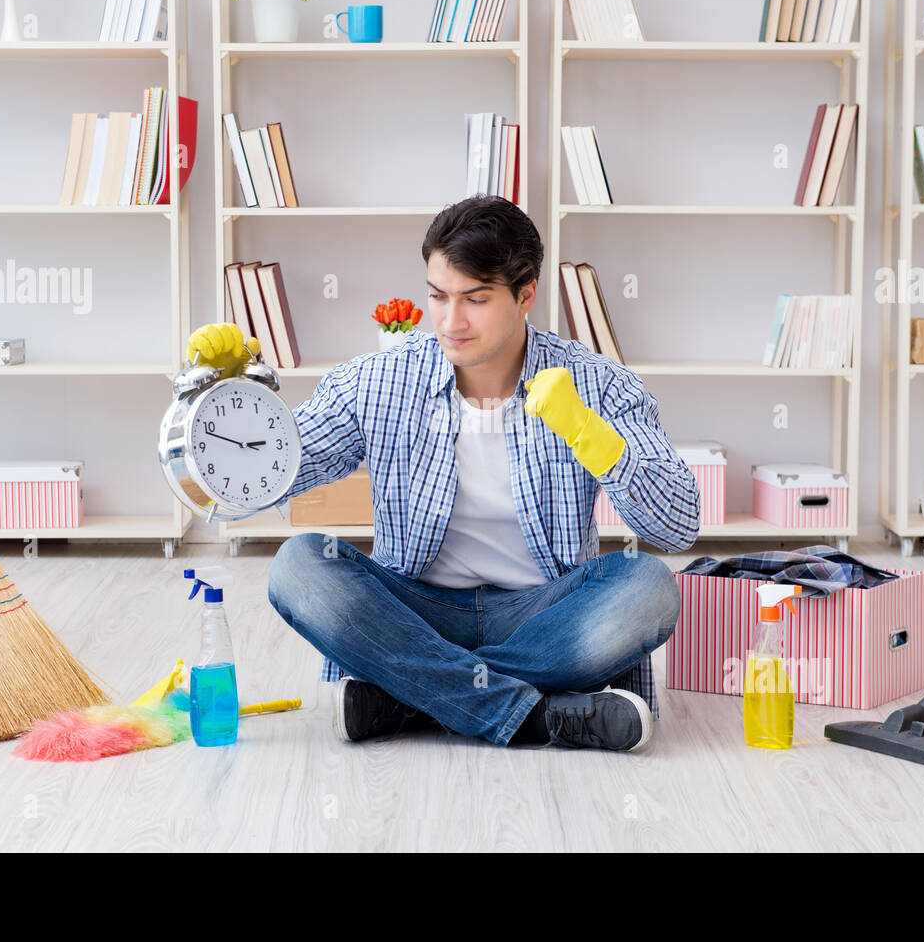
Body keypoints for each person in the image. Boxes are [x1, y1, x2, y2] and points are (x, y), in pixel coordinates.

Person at [187, 195, 701, 752]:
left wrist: (590, 434)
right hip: (416, 612)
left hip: (545, 613)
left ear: (526, 294)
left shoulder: (597, 383)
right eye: (438, 296)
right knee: (300, 567)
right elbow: (279, 471)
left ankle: (410, 696)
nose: (451, 322)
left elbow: (677, 526)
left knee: (647, 586)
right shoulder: (379, 379)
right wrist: (225, 408)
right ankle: (535, 716)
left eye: (475, 300)